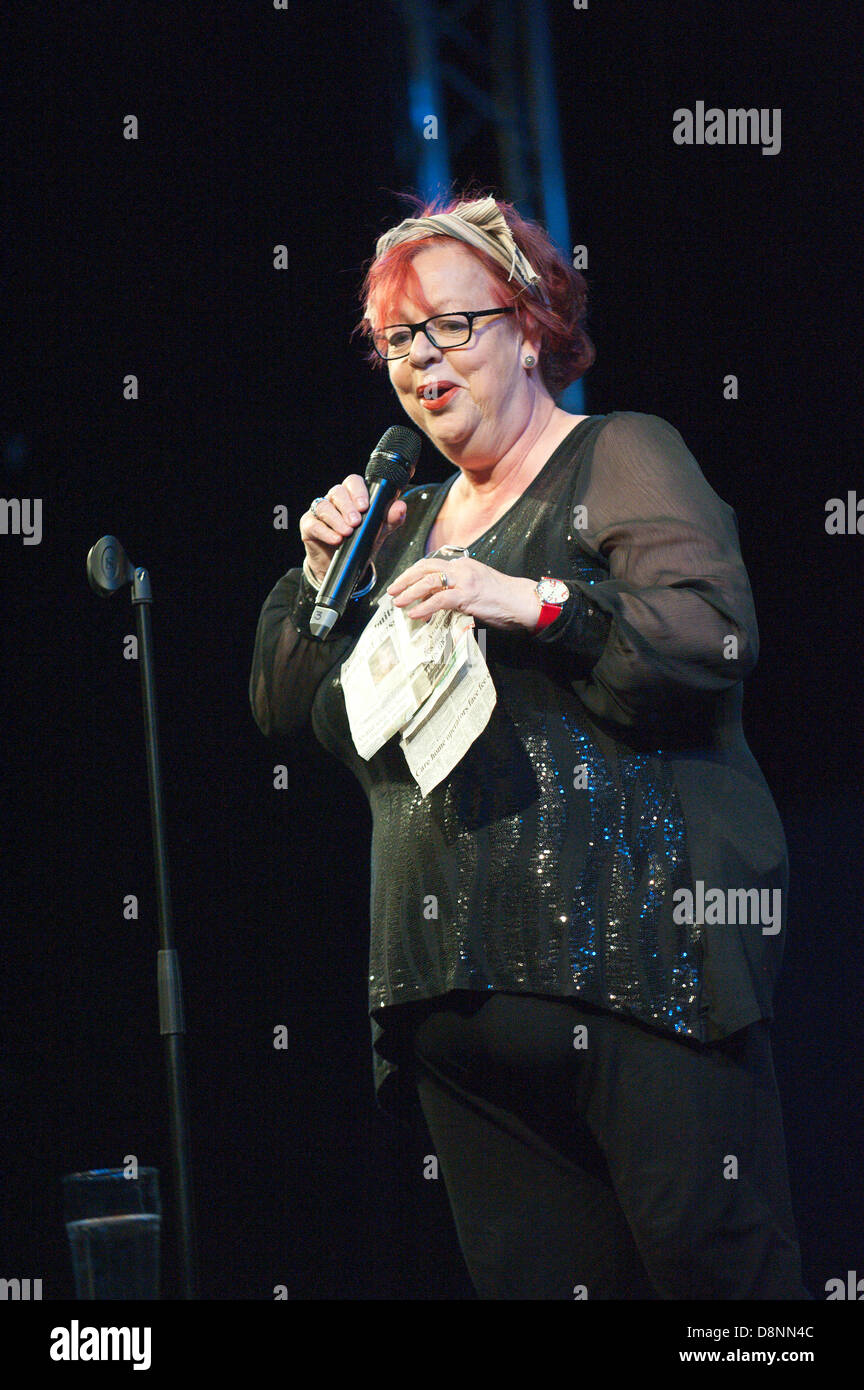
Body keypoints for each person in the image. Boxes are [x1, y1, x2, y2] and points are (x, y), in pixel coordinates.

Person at [249, 193, 809, 1300]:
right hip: (450, 1000)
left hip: (639, 969)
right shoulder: (398, 527)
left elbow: (709, 637)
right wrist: (323, 575)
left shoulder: (618, 454)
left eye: (451, 325)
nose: (422, 358)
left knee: (724, 1290)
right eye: (398, 339)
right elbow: (281, 705)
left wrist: (537, 601)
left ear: (530, 325)